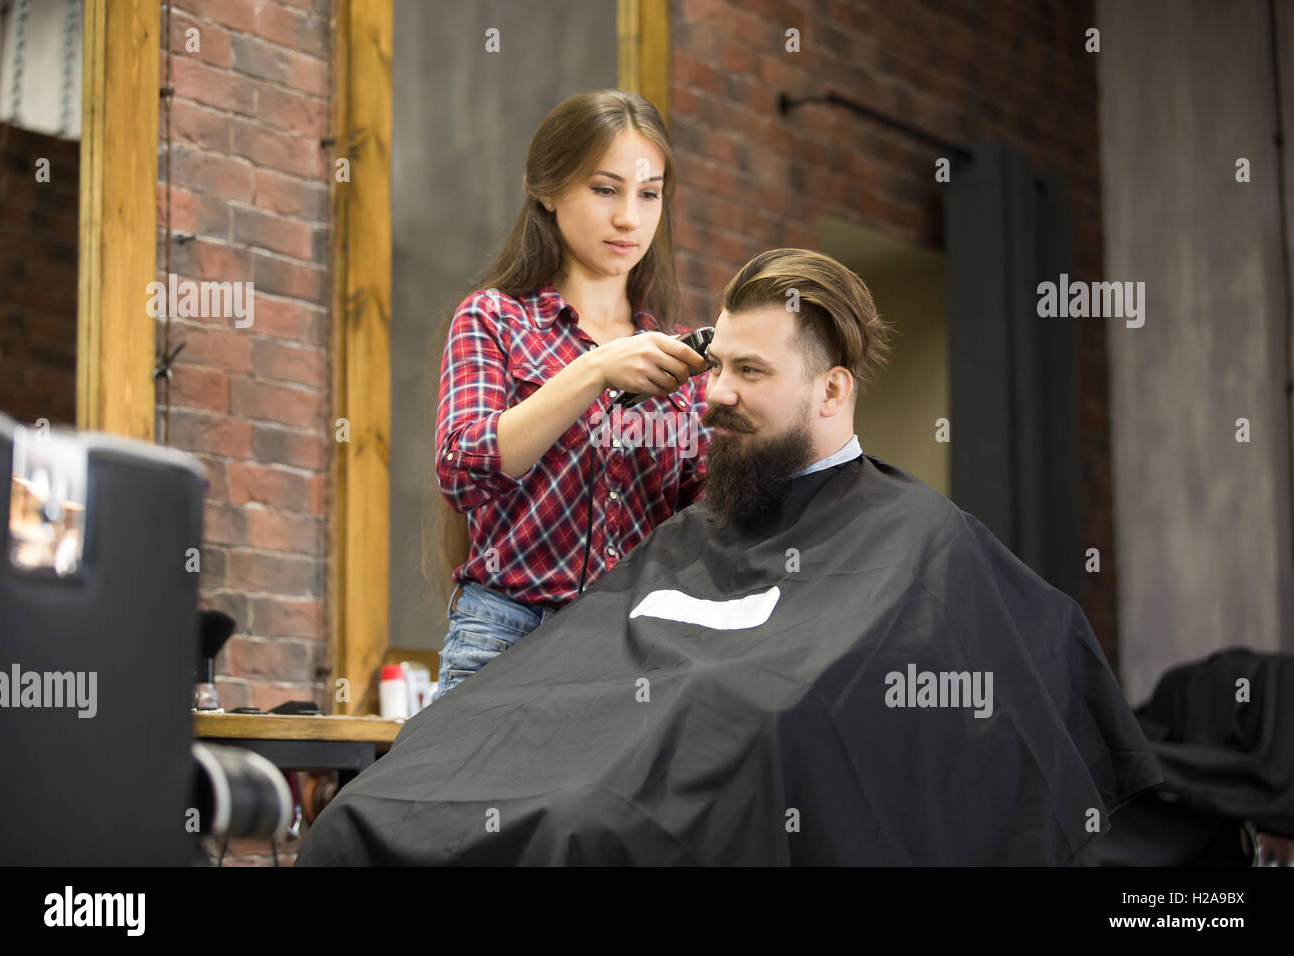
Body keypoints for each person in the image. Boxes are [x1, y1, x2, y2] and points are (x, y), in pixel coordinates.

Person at [301, 249, 1161, 865]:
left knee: (578, 829)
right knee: (362, 813)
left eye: (749, 372)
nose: (713, 394)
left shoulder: (920, 544)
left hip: (613, 814)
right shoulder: (692, 534)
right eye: (716, 365)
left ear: (833, 389)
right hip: (559, 786)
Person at [430, 90, 711, 702]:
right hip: (504, 637)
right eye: (605, 189)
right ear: (549, 190)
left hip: (634, 647)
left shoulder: (683, 357)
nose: (629, 219)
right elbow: (462, 471)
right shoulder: (494, 320)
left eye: (649, 193)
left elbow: (707, 518)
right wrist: (596, 370)